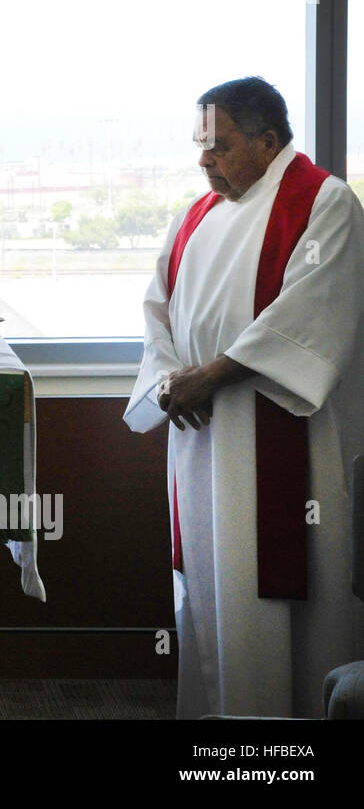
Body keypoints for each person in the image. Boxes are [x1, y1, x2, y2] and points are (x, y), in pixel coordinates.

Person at [124, 75, 364, 718]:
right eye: (200, 144)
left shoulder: (324, 204)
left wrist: (213, 376)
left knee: (288, 604)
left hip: (288, 442)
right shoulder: (193, 218)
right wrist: (174, 379)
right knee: (213, 588)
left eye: (219, 146)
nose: (204, 160)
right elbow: (156, 313)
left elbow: (315, 314)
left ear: (267, 140)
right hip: (202, 443)